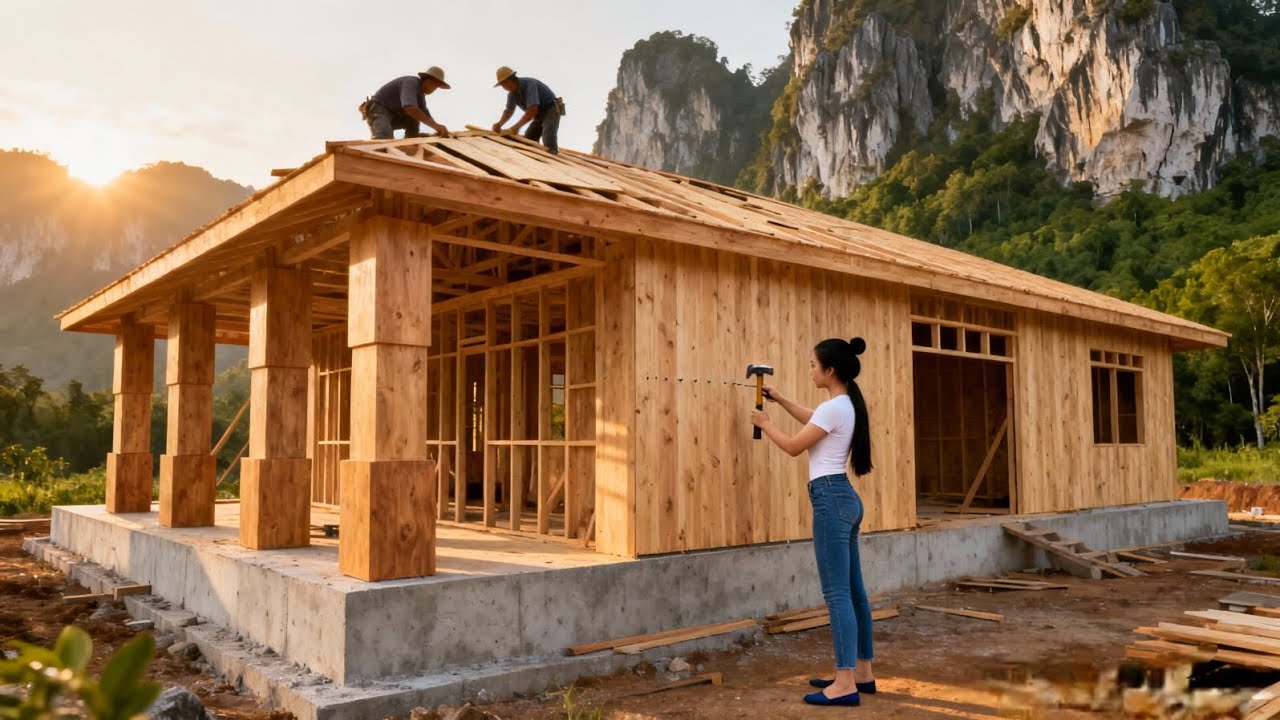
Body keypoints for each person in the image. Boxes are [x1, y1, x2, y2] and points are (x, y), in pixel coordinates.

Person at [750, 338, 876, 707]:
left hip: (831, 500)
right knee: (854, 593)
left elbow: (793, 446)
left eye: (812, 365)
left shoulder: (834, 407)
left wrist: (765, 423)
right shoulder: (844, 404)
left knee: (837, 595)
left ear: (829, 370)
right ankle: (862, 673)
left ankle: (844, 683)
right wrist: (781, 399)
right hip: (845, 499)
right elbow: (813, 420)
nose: (810, 371)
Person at [361, 67, 452, 140]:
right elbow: (409, 108)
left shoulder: (420, 95)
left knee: (414, 118)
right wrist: (436, 126)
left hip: (393, 115)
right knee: (384, 138)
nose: (435, 89)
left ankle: (411, 139)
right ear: (428, 80)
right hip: (378, 110)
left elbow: (424, 113)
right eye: (435, 86)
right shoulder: (411, 82)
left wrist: (437, 127)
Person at [490, 66, 562, 153]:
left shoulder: (530, 84)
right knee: (529, 138)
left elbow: (532, 110)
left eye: (503, 84)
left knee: (548, 136)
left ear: (510, 80)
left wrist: (516, 127)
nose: (504, 88)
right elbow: (508, 111)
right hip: (539, 115)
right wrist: (499, 124)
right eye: (502, 85)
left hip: (551, 108)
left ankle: (552, 153)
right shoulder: (512, 94)